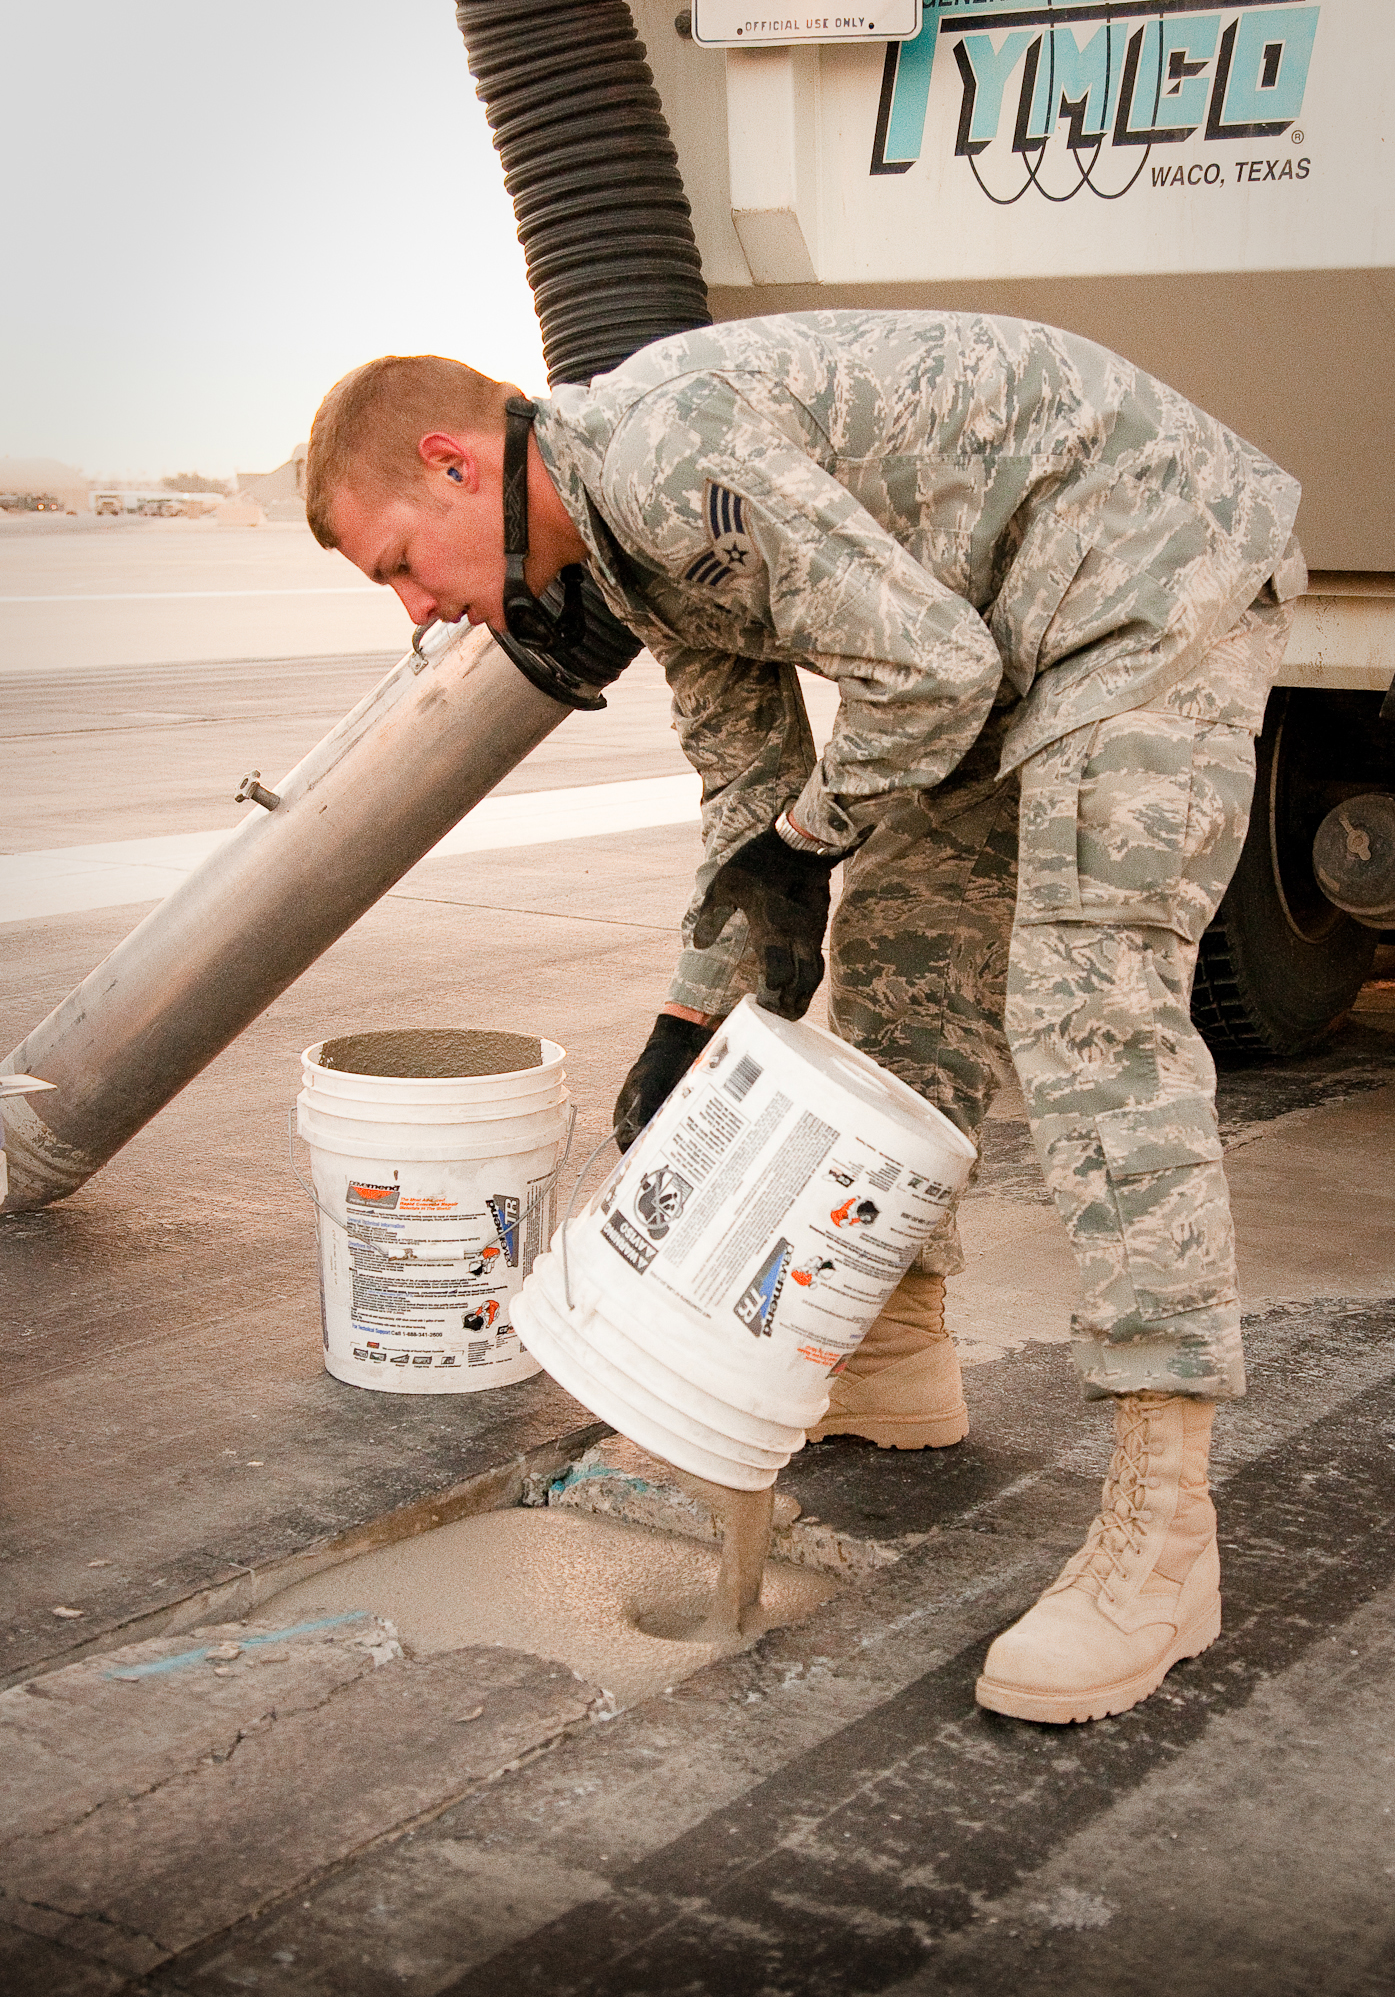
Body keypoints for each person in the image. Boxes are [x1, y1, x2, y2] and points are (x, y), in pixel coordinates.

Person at [304, 313, 1304, 1724]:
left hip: (1146, 566)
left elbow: (929, 677)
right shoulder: (638, 563)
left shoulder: (664, 454)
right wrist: (684, 1016)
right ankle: (894, 1353)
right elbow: (746, 801)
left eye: (399, 563)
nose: (416, 608)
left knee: (1091, 1011)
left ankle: (1164, 1535)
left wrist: (814, 833)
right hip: (1006, 624)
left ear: (455, 463)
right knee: (899, 958)